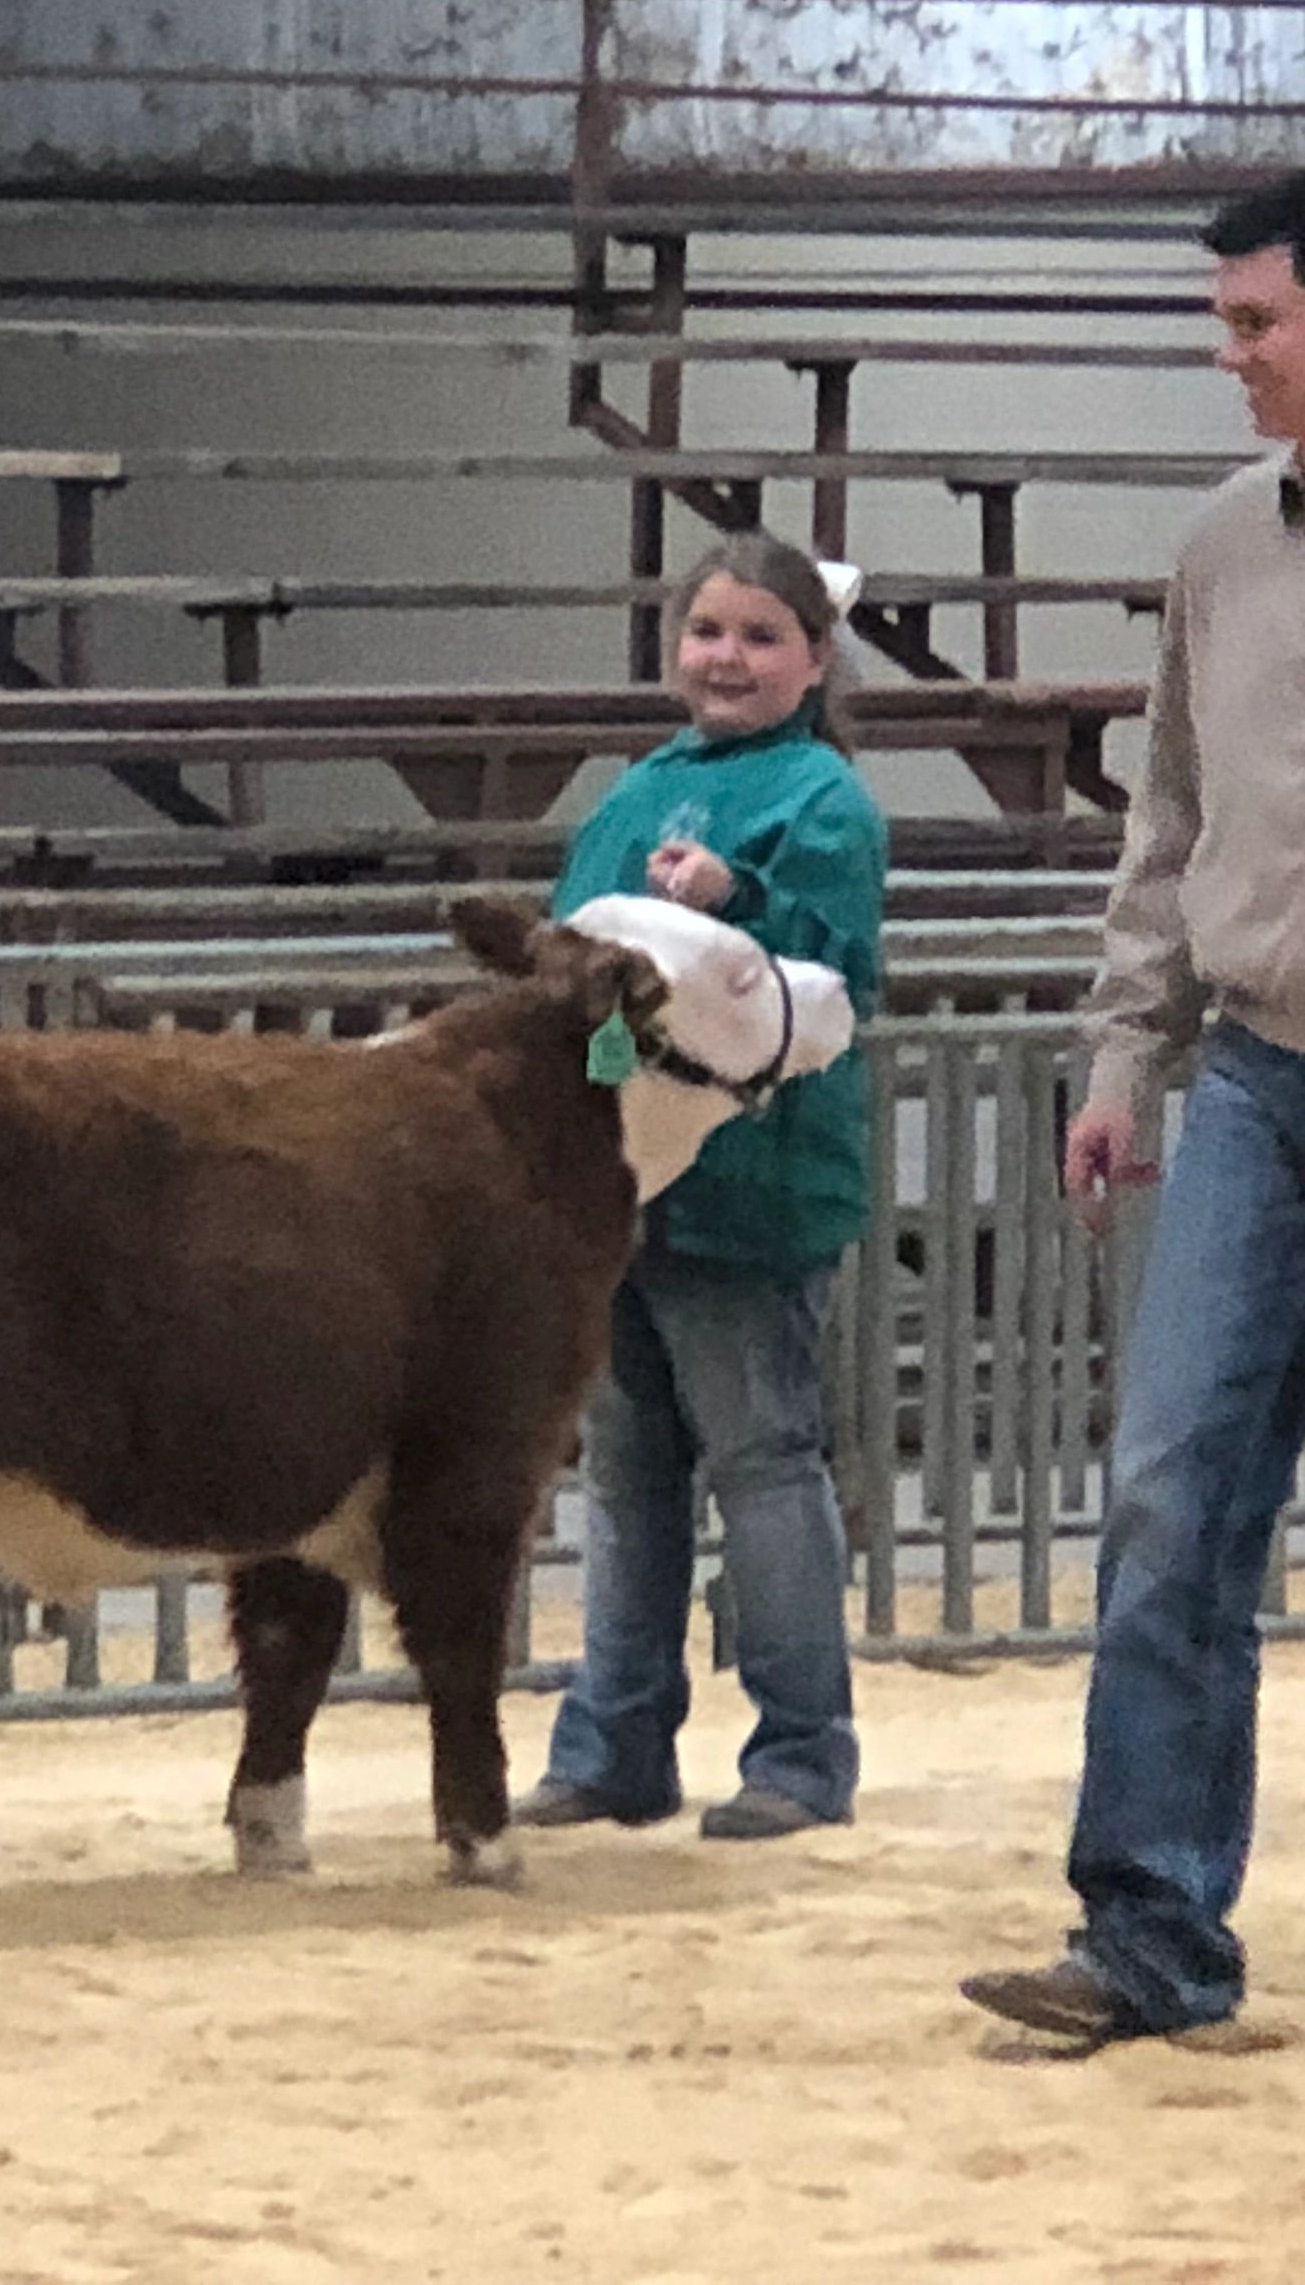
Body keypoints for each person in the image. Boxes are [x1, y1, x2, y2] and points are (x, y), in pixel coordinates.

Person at [959, 175, 1305, 2048]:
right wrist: (1122, 1056)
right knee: (1172, 1502)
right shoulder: (1225, 546)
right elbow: (1162, 834)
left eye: (1257, 323)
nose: (1228, 355)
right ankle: (1151, 1936)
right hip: (1259, 1081)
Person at [514, 528, 887, 1842]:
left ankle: (799, 1753)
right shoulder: (633, 793)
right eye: (710, 632)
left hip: (750, 1180)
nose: (727, 659)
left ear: (812, 656)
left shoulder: (824, 801)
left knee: (763, 1462)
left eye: (760, 637)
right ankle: (613, 1743)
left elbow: (832, 972)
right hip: (625, 1187)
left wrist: (744, 897)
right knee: (625, 1470)